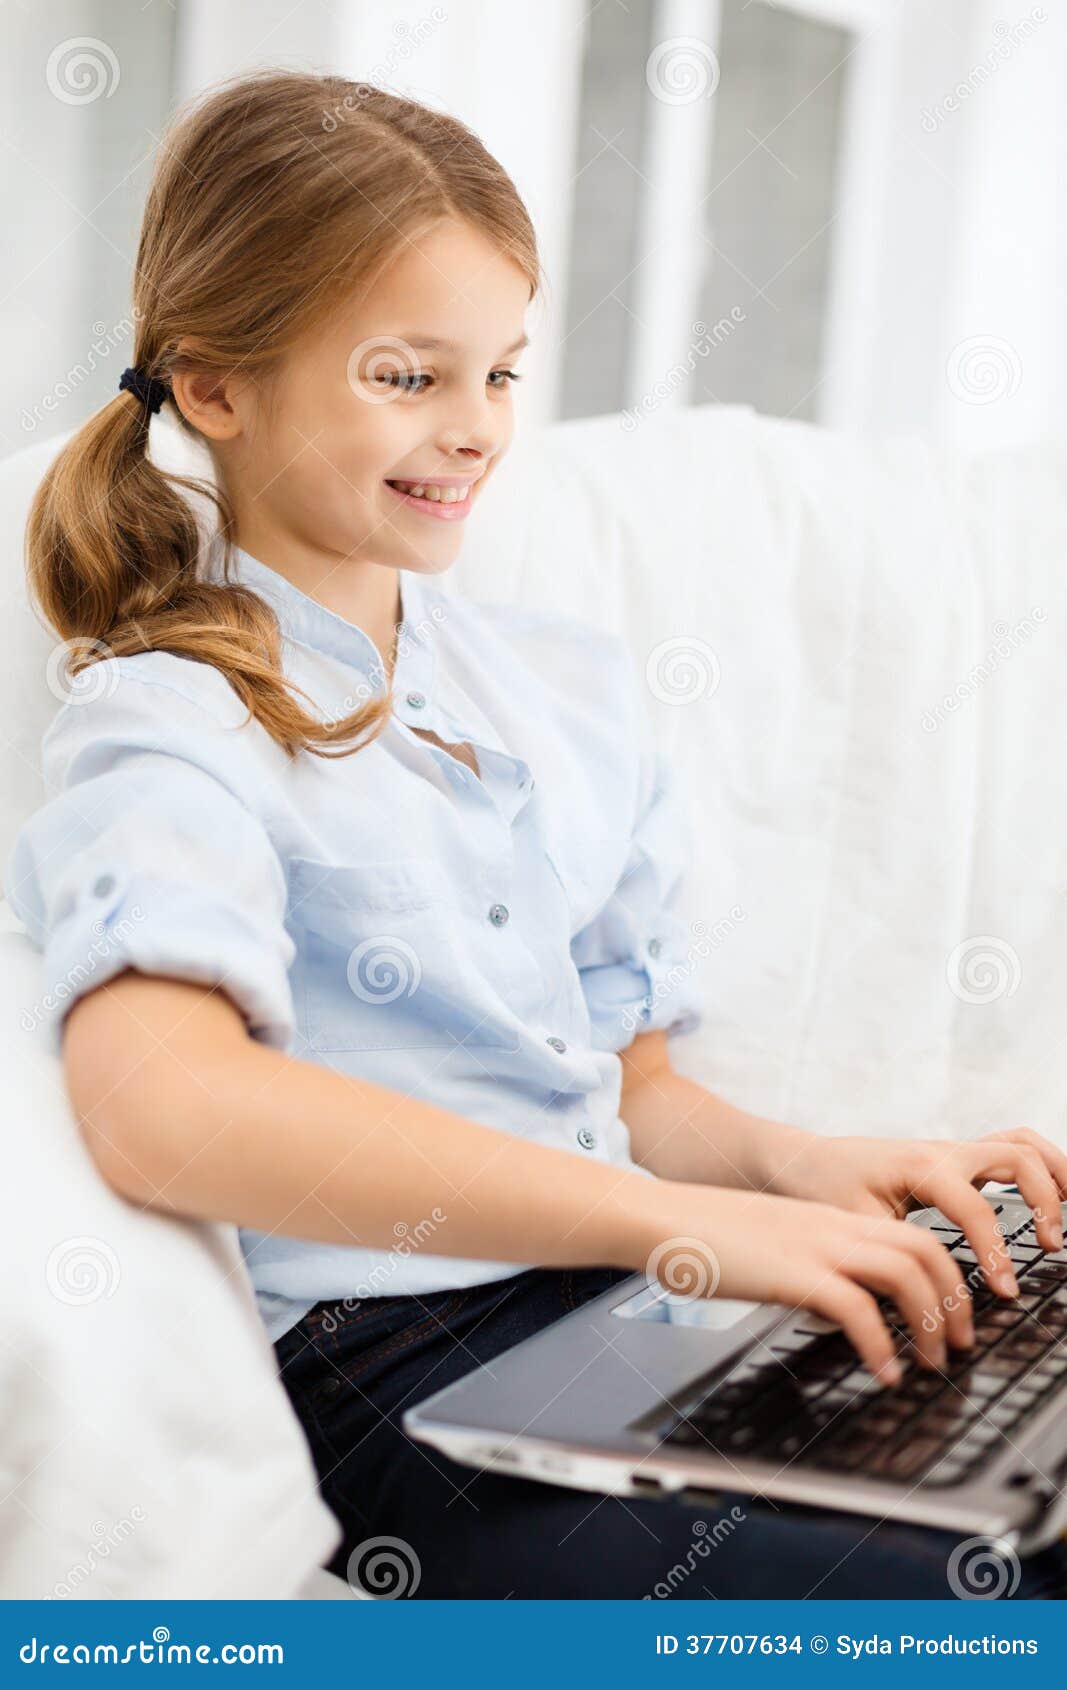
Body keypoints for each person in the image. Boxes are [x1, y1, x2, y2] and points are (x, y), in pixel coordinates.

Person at [7, 68, 1067, 1600]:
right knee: (986, 1604)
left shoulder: (561, 687)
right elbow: (156, 1105)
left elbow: (630, 1085)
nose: (475, 429)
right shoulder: (170, 719)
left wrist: (800, 1166)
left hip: (626, 1318)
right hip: (400, 1385)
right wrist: (681, 1224)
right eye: (406, 375)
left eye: (500, 373)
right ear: (215, 386)